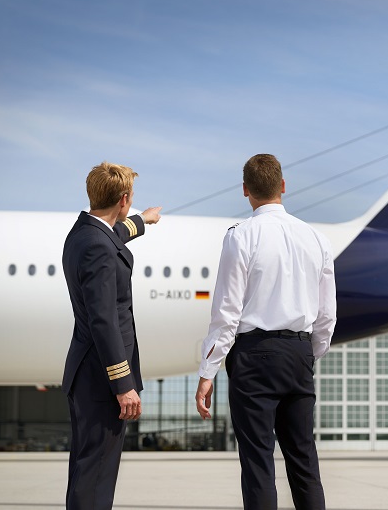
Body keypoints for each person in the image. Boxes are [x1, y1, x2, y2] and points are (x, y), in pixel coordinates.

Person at [195, 153, 336, 510]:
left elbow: (227, 312)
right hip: (299, 354)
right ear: (283, 187)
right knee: (304, 459)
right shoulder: (317, 238)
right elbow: (326, 314)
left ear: (246, 190)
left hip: (253, 357)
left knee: (257, 463)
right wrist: (309, 353)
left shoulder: (241, 237)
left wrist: (208, 370)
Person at [61, 161, 162, 510]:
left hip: (87, 372)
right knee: (97, 475)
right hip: (102, 378)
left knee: (88, 469)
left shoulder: (84, 233)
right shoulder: (98, 247)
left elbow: (113, 234)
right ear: (123, 199)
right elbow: (104, 320)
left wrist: (142, 221)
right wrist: (123, 385)